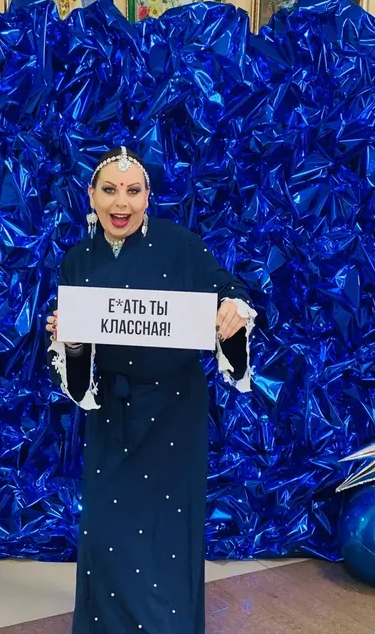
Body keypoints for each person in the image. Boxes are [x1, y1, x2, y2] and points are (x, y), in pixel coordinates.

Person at [46, 146, 257, 634]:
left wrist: (233, 312)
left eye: (133, 191)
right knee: (108, 530)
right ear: (91, 197)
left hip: (175, 416)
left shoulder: (182, 245)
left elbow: (230, 290)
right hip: (112, 417)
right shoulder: (77, 261)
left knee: (168, 533)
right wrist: (70, 344)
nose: (121, 203)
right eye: (110, 190)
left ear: (147, 197)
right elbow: (76, 367)